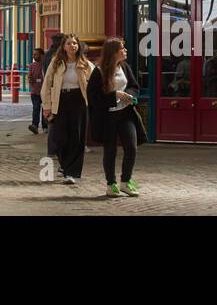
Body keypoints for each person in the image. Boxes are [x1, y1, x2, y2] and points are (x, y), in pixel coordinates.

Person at [88, 37, 144, 198]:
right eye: (122, 48)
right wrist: (115, 95)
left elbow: (134, 86)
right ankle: (110, 184)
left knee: (131, 147)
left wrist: (130, 96)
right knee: (110, 150)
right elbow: (93, 96)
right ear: (113, 52)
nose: (125, 51)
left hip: (125, 113)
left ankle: (126, 182)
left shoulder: (125, 67)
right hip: (107, 116)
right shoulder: (99, 71)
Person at [40, 34, 92, 185]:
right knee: (59, 138)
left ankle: (72, 172)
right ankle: (64, 165)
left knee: (77, 137)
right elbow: (47, 85)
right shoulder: (56, 63)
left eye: (75, 43)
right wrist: (47, 106)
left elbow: (95, 81)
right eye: (69, 43)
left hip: (79, 101)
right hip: (60, 101)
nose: (72, 46)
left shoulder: (84, 63)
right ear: (63, 46)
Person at [27, 48, 47, 134]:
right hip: (35, 91)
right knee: (36, 108)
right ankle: (34, 125)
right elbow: (30, 77)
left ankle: (45, 126)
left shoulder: (46, 65)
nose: (34, 56)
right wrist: (30, 79)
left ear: (42, 55)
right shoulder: (31, 66)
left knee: (45, 109)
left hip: (45, 91)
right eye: (33, 54)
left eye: (36, 54)